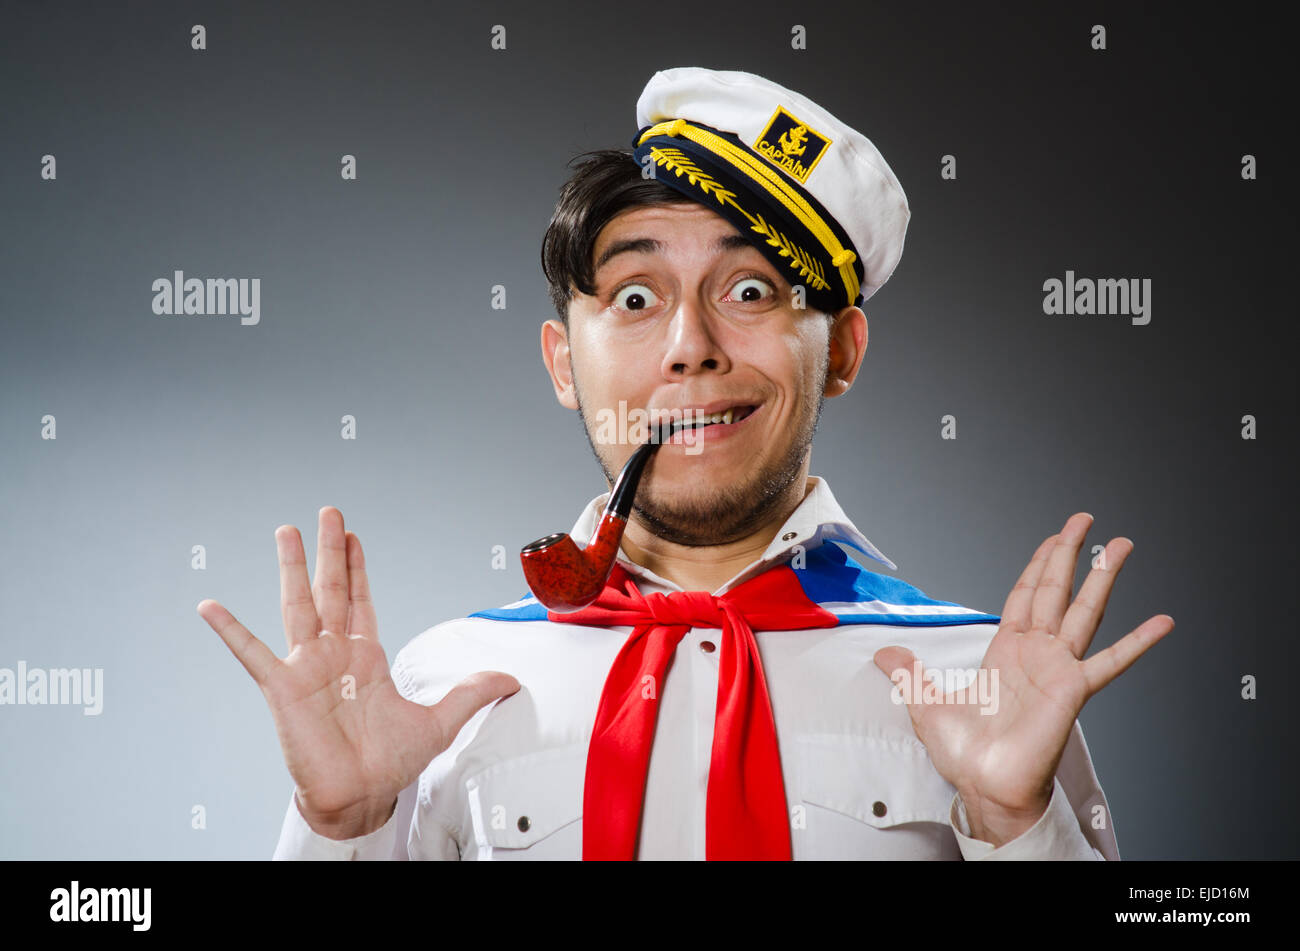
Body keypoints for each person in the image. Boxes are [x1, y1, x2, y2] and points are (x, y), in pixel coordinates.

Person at [197, 66, 1173, 860]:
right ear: (560, 365)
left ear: (839, 351)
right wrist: (341, 831)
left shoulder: (980, 683)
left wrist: (1017, 827)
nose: (689, 345)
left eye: (750, 288)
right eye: (632, 298)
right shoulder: (440, 688)